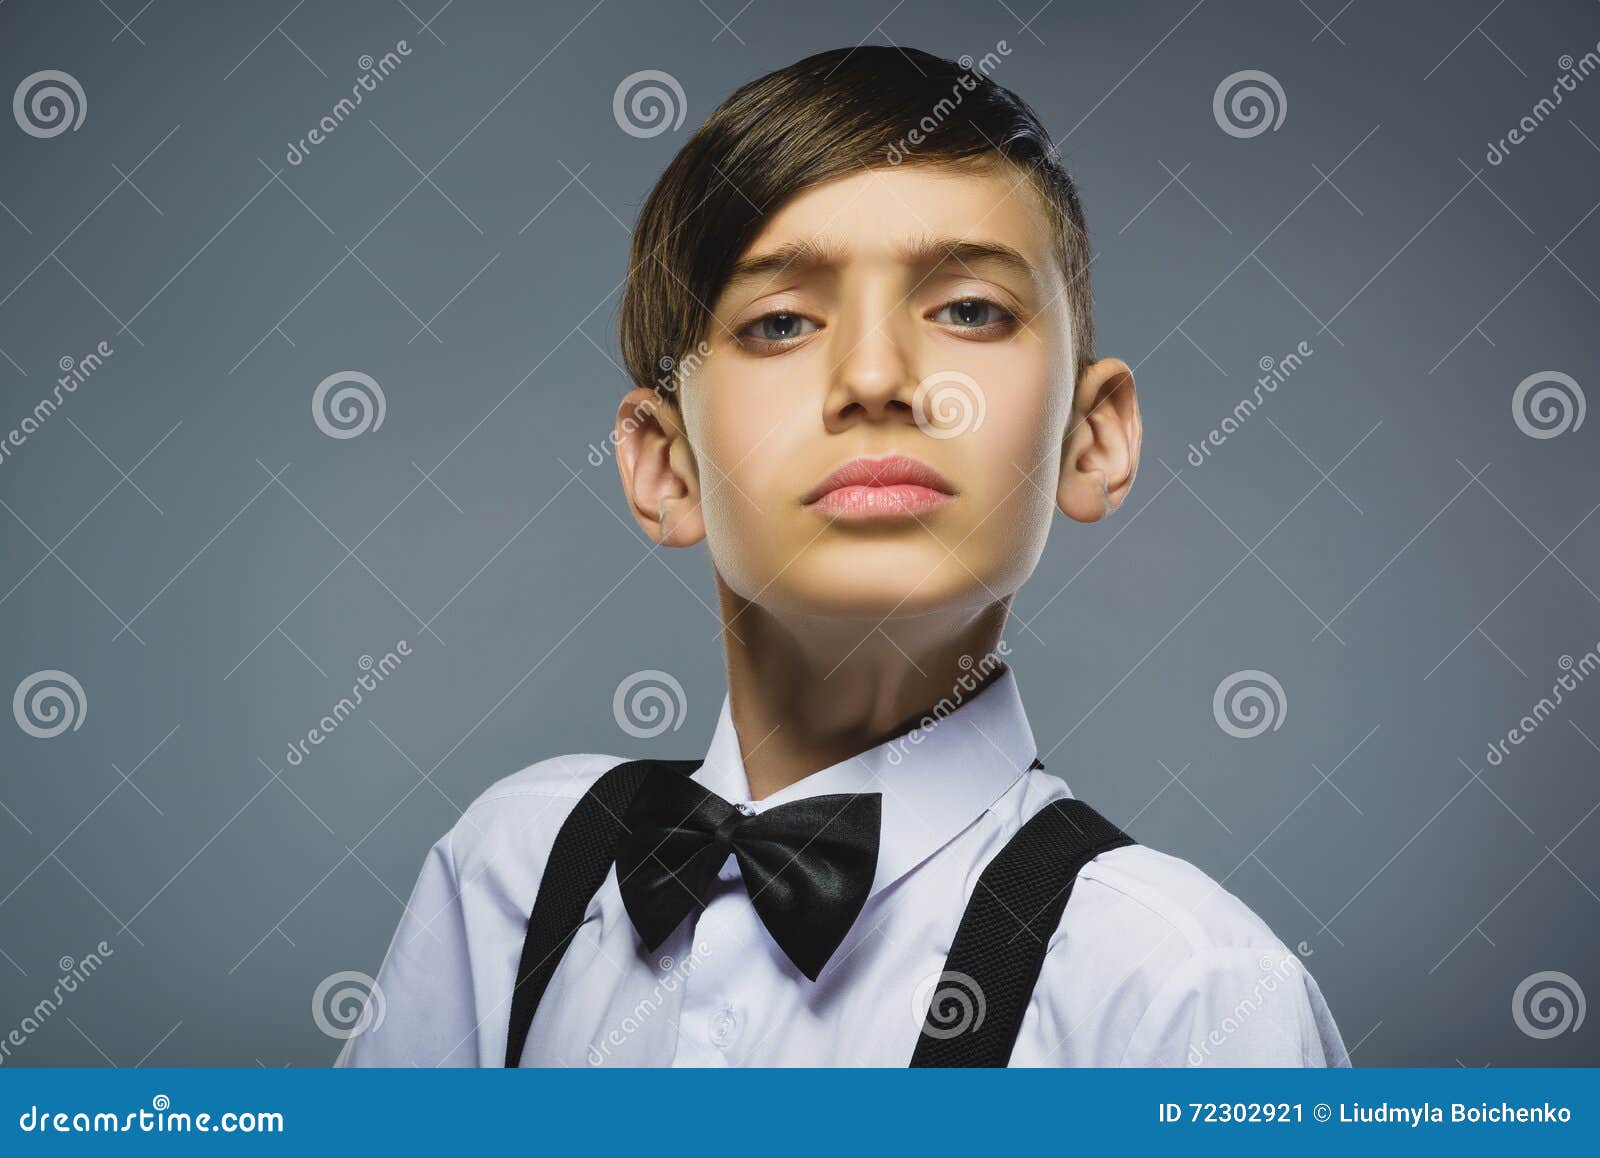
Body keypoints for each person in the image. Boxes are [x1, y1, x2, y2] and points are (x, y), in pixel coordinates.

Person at [338, 45, 1348, 1068]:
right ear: (663, 464)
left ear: (1091, 440)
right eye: (779, 322)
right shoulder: (512, 872)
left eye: (969, 311)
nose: (873, 376)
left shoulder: (1185, 991)